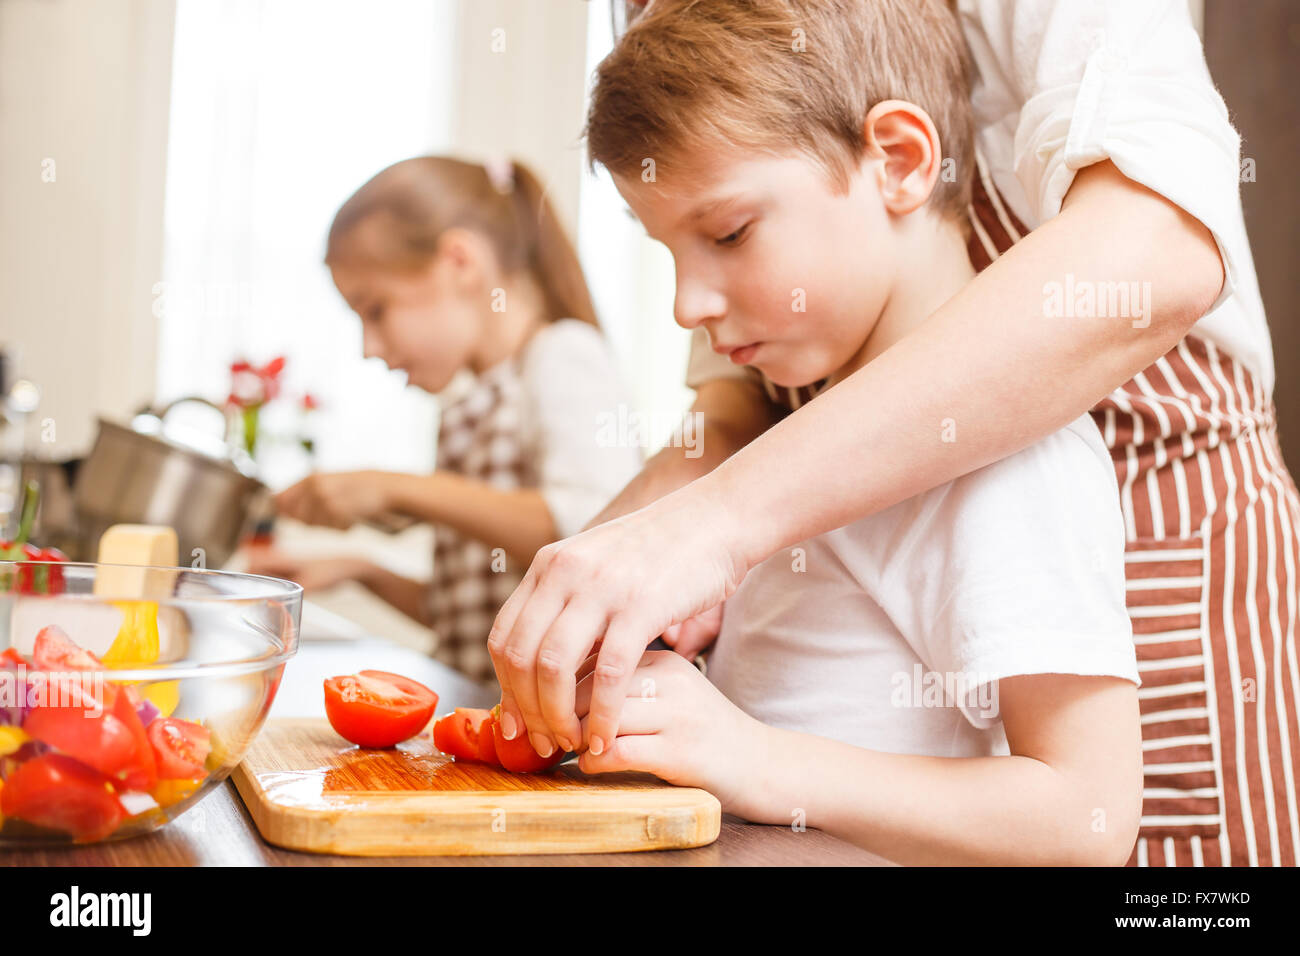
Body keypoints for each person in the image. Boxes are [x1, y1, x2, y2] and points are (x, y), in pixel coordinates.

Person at [490, 0, 1299, 867]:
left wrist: (714, 542)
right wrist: (649, 549)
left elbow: (1155, 249)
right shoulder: (810, 418)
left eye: (731, 233)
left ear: (904, 162)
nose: (688, 306)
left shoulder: (1018, 472)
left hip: (1178, 547)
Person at [249, 156, 641, 683]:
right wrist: (360, 569)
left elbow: (590, 526)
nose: (369, 347)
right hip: (485, 721)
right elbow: (471, 616)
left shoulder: (563, 355)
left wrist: (395, 488)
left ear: (460, 261)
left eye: (376, 309)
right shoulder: (470, 405)